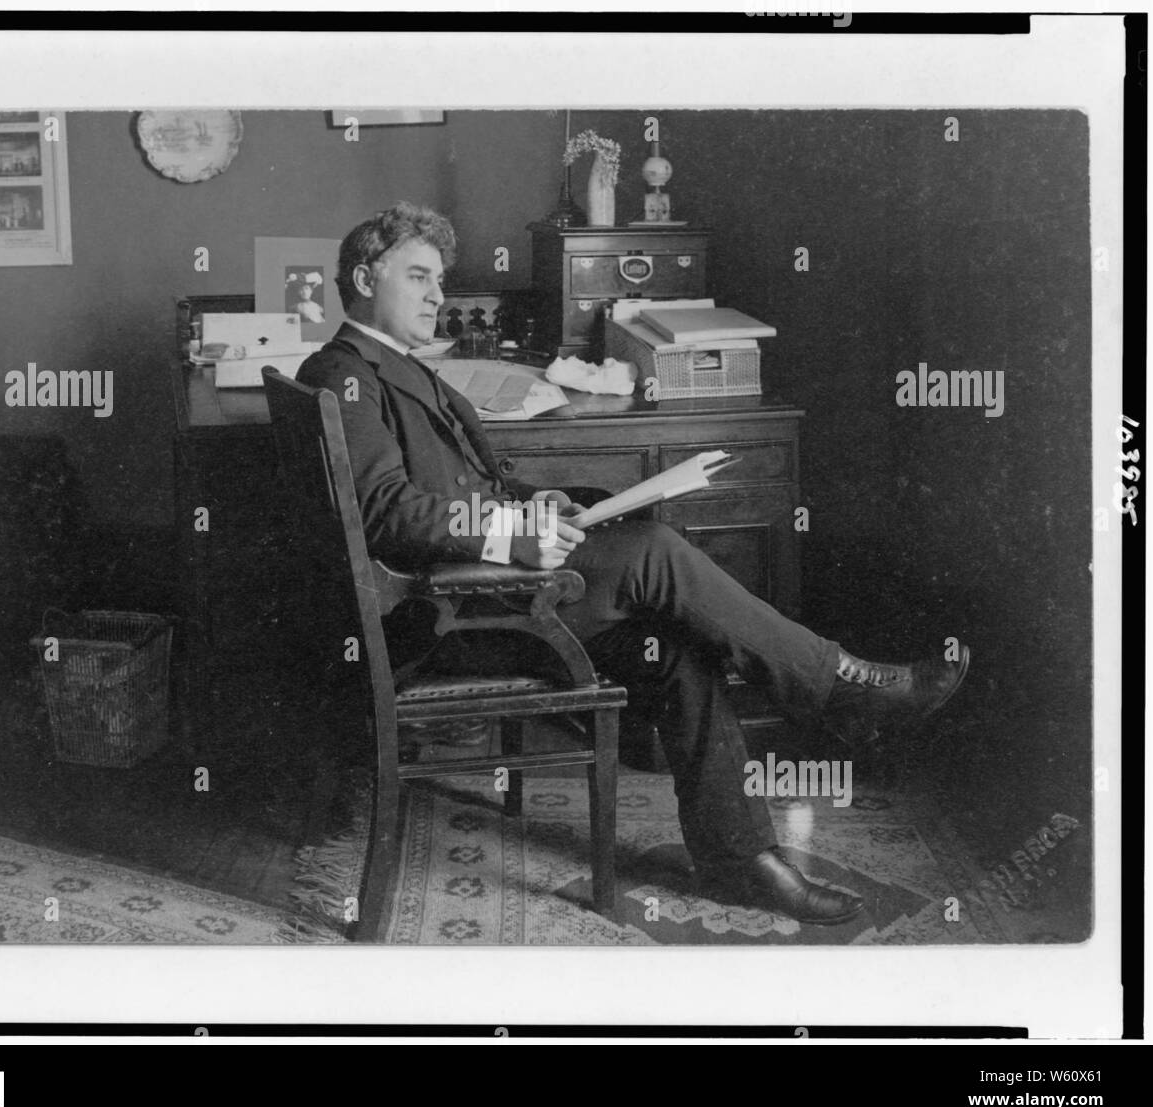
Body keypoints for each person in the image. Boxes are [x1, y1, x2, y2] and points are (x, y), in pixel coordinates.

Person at [297, 202, 969, 926]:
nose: (438, 295)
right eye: (419, 277)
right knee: (652, 552)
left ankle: (739, 860)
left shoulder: (392, 367)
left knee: (681, 646)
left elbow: (458, 488)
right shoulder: (345, 375)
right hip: (446, 618)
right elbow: (385, 512)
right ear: (364, 278)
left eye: (440, 279)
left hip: (486, 595)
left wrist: (537, 502)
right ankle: (841, 685)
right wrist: (512, 535)